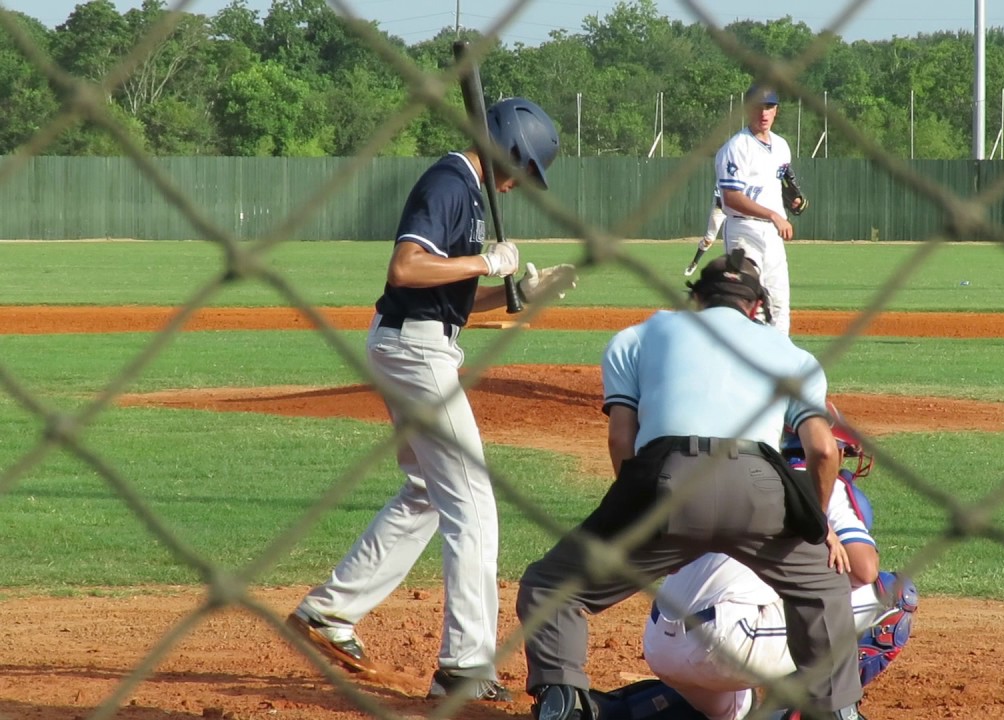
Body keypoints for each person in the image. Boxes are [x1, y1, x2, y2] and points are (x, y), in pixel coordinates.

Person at [286, 97, 575, 703]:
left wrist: (518, 294)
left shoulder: (469, 193)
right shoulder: (449, 183)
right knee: (473, 504)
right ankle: (464, 669)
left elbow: (452, 305)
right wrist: (484, 260)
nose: (518, 185)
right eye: (521, 169)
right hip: (415, 353)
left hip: (420, 343)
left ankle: (329, 614)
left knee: (427, 493)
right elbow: (406, 268)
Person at [517, 249, 869, 720]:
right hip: (761, 485)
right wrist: (816, 523)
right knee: (824, 591)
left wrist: (640, 512)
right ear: (755, 306)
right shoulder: (788, 352)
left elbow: (622, 437)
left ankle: (560, 705)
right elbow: (824, 451)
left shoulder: (640, 335)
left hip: (667, 478)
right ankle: (838, 713)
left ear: (696, 298)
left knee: (549, 585)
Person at [637, 410, 916, 720]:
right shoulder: (820, 483)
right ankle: (816, 710)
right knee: (894, 596)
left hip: (660, 642)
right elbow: (865, 570)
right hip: (726, 642)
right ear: (829, 449)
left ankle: (621, 710)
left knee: (738, 711)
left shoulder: (728, 472)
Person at [714, 84, 806, 335]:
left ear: (776, 110)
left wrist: (790, 201)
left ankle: (778, 364)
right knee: (745, 301)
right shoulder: (736, 148)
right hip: (743, 231)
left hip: (773, 235)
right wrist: (773, 214)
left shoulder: (782, 146)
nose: (763, 113)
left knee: (778, 304)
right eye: (758, 107)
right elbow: (731, 198)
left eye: (769, 107)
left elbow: (779, 183)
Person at [684, 187, 726, 276]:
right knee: (709, 239)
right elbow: (719, 201)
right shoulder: (722, 178)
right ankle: (694, 263)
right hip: (720, 208)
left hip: (735, 210)